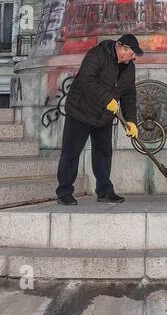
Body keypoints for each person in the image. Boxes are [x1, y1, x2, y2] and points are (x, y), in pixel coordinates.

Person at [55, 34, 142, 205]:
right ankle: (64, 192)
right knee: (71, 153)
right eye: (132, 53)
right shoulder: (97, 55)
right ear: (121, 47)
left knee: (104, 154)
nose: (134, 57)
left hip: (104, 117)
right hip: (80, 111)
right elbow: (87, 80)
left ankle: (104, 191)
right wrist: (107, 99)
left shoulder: (129, 67)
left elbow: (129, 94)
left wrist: (132, 121)